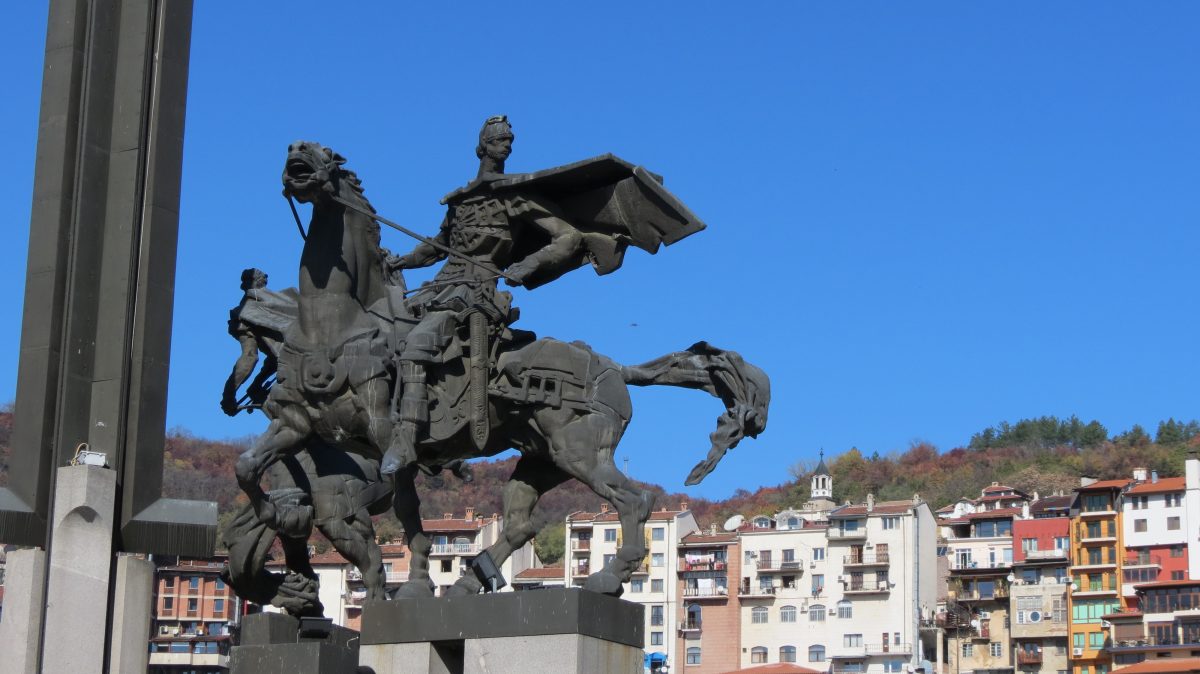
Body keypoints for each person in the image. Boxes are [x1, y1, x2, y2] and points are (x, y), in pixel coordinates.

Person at [380, 115, 583, 474]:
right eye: (499, 139)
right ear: (482, 146)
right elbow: (436, 248)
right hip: (439, 287)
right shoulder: (461, 200)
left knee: (418, 345)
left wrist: (529, 264)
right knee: (382, 338)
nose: (506, 144)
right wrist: (403, 261)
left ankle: (407, 439)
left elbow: (568, 237)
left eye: (509, 140)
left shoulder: (514, 195)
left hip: (477, 291)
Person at [221, 268, 298, 416]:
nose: (264, 282)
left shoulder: (264, 295)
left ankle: (255, 387)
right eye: (261, 280)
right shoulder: (251, 300)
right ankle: (228, 397)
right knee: (251, 356)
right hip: (245, 325)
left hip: (258, 328)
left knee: (278, 357)